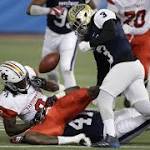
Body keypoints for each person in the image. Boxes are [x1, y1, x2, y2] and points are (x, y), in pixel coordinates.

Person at [67, 4, 150, 148]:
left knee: (105, 99)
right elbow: (103, 66)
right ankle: (110, 137)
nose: (78, 28)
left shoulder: (100, 15)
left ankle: (111, 138)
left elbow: (110, 32)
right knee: (144, 108)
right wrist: (99, 86)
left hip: (125, 65)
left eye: (78, 23)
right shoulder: (93, 36)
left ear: (86, 16)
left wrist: (91, 43)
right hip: (132, 68)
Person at [0, 60, 99, 146]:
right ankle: (75, 139)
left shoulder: (29, 73)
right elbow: (11, 130)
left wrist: (42, 82)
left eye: (25, 78)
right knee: (31, 137)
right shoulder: (7, 100)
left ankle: (105, 105)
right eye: (21, 82)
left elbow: (54, 88)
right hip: (44, 122)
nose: (25, 82)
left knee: (81, 89)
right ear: (10, 84)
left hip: (56, 105)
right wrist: (32, 122)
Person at [26, 0, 96, 88]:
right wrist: (50, 10)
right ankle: (56, 90)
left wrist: (85, 20)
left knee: (67, 68)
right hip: (51, 34)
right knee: (49, 70)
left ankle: (72, 98)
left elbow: (93, 9)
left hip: (70, 34)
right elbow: (30, 9)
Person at [11, 108, 150, 146]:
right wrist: (73, 139)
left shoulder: (59, 109)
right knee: (147, 118)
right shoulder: (46, 130)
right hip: (109, 132)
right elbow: (32, 137)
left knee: (145, 109)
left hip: (110, 116)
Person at [107, 0, 150, 107]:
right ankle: (110, 100)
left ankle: (131, 95)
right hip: (123, 36)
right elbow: (109, 18)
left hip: (143, 35)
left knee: (143, 71)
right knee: (116, 69)